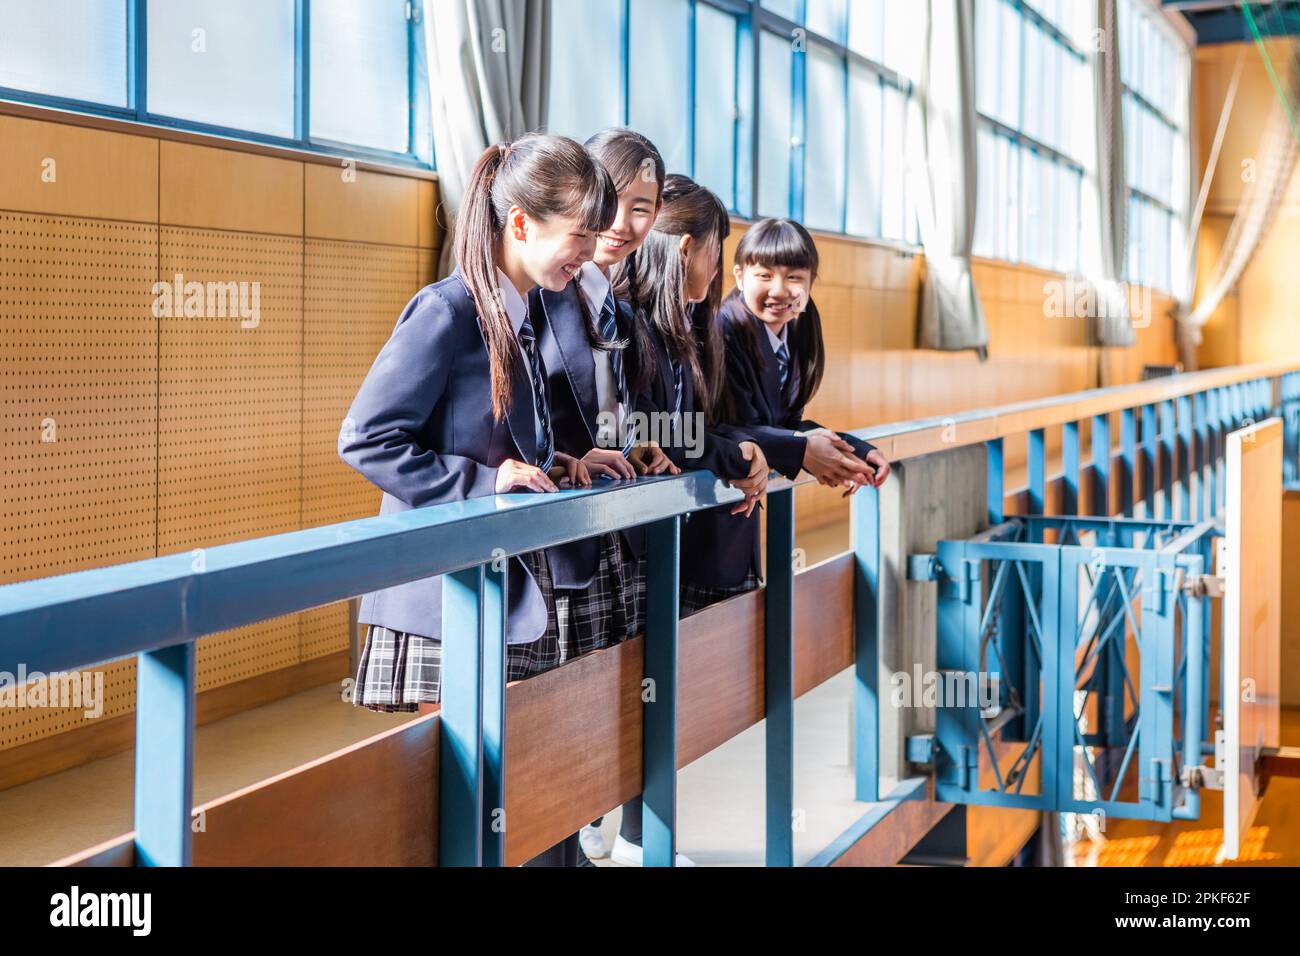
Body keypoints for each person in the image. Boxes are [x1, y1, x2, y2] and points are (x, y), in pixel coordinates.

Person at [339, 133, 616, 866]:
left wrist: (555, 462)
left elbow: (487, 436)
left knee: (524, 794)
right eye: (579, 234)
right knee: (467, 810)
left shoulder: (528, 310)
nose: (589, 252)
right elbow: (367, 439)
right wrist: (480, 485)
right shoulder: (447, 310)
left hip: (504, 588)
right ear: (520, 223)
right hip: (445, 602)